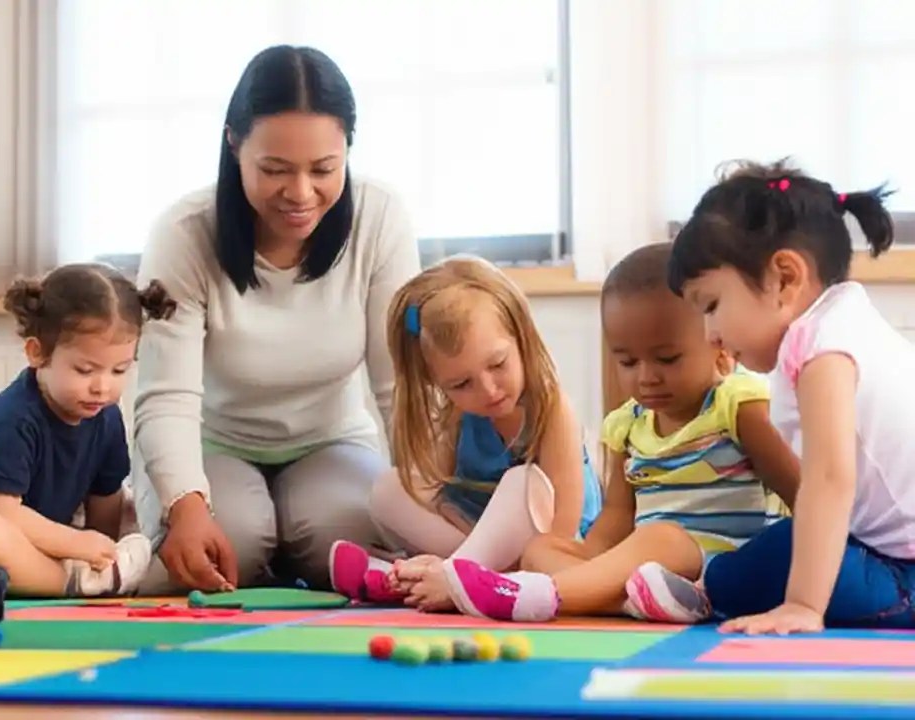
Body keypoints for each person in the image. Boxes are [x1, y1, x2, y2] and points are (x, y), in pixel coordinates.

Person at [131, 44, 421, 593]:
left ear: (348, 152)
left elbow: (400, 383)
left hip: (330, 441)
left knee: (353, 541)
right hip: (210, 444)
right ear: (233, 143)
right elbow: (166, 395)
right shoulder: (184, 234)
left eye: (324, 169)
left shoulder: (380, 218)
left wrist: (428, 496)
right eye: (275, 169)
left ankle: (292, 549)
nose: (301, 193)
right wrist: (183, 507)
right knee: (228, 543)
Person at [416, 244, 799, 622]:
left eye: (667, 359)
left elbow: (798, 492)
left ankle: (534, 596)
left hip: (719, 562)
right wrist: (587, 557)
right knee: (540, 550)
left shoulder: (736, 405)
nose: (646, 376)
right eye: (628, 361)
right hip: (644, 564)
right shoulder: (626, 425)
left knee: (662, 537)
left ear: (718, 343)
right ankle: (632, 602)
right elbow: (617, 514)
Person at [626, 160, 915, 634]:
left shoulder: (827, 351)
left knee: (782, 559)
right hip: (883, 551)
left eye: (712, 306)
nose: (710, 333)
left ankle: (711, 589)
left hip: (903, 574)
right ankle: (712, 586)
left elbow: (829, 479)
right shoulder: (838, 324)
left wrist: (803, 605)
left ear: (784, 278)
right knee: (787, 542)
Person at [328, 256, 604, 611]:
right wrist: (455, 518)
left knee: (523, 482)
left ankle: (433, 576)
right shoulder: (458, 417)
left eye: (498, 364)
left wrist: (529, 553)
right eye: (461, 384)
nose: (488, 390)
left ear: (520, 339)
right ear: (437, 383)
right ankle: (452, 575)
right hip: (484, 542)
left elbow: (562, 529)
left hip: (551, 548)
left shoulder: (551, 409)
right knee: (389, 490)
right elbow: (439, 493)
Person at [0, 264, 171, 597]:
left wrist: (101, 552)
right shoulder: (6, 422)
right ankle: (71, 584)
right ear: (37, 353)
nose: (102, 387)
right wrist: (76, 542)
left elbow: (105, 501)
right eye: (85, 370)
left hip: (51, 545)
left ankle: (94, 577)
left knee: (133, 510)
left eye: (119, 370)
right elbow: (1, 513)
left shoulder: (105, 417)